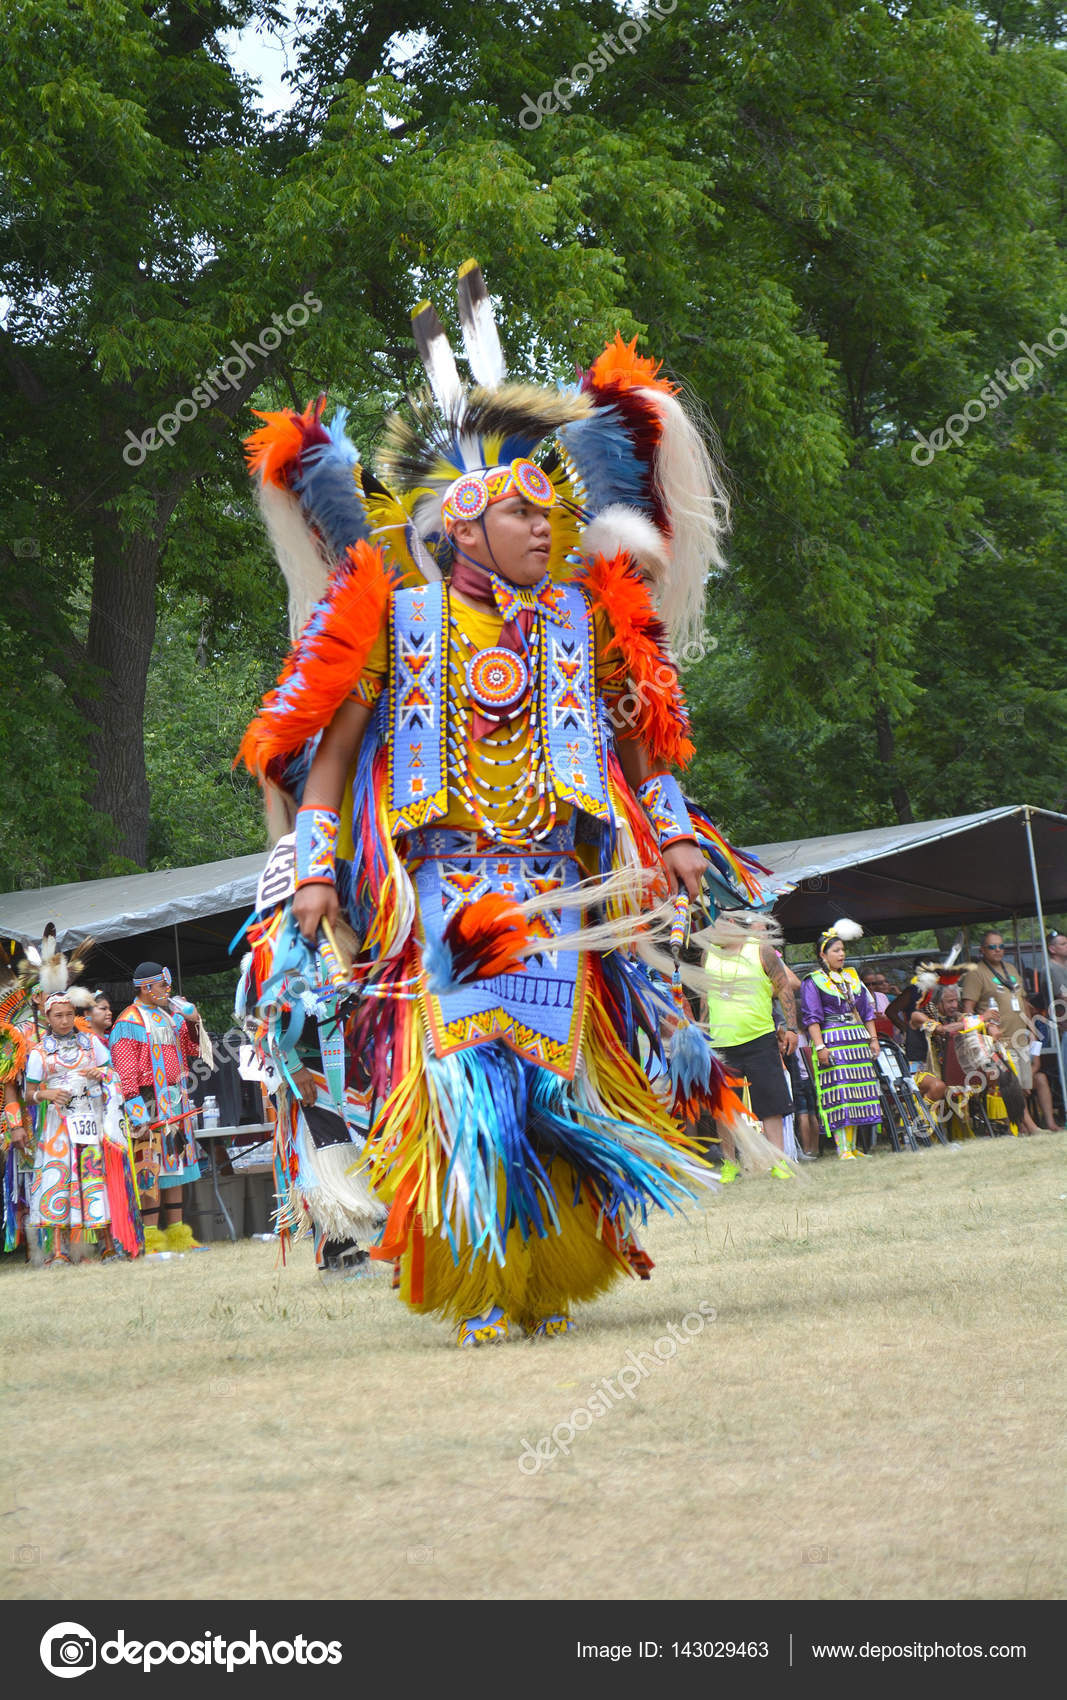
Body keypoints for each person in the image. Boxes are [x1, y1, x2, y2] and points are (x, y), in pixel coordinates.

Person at [237, 265, 767, 1345]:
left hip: (557, 895)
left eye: (554, 514)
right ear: (464, 525)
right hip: (437, 897)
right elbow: (329, 758)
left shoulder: (582, 620)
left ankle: (544, 1275)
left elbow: (640, 736)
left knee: (550, 1086)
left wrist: (667, 835)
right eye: (527, 513)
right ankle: (480, 1283)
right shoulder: (393, 620)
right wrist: (313, 871)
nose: (549, 531)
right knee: (460, 1089)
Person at [110, 962, 206, 1251]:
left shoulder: (170, 1017)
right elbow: (125, 1074)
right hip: (148, 1103)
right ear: (146, 988)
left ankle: (179, 1236)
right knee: (150, 1170)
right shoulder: (128, 1022)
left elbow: (193, 1049)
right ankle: (150, 1238)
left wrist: (192, 1020)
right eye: (163, 986)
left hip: (175, 1103)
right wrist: (138, 1115)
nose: (168, 990)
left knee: (175, 1166)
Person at [24, 993, 126, 1264]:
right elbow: (28, 1093)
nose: (66, 1020)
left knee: (94, 1178)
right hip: (57, 1127)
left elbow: (113, 1074)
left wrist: (100, 1074)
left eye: (69, 1014)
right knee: (58, 1179)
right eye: (58, 1016)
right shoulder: (39, 1051)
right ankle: (59, 1252)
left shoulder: (91, 1042)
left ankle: (107, 1246)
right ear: (47, 1017)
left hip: (90, 1120)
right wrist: (45, 1095)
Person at [702, 915, 800, 1180]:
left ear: (732, 925)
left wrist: (791, 1028)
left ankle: (778, 1161)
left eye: (716, 924)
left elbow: (784, 988)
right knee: (724, 1107)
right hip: (721, 1044)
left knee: (771, 1103)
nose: (711, 930)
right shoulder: (707, 956)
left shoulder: (760, 950)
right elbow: (705, 998)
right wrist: (701, 1033)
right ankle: (730, 1163)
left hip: (760, 1038)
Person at [800, 921, 882, 1160]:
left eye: (843, 949)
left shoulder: (852, 977)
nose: (841, 954)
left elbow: (867, 1011)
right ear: (822, 955)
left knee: (858, 1092)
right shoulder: (813, 980)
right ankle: (843, 1148)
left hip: (856, 1039)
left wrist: (873, 1039)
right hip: (833, 1039)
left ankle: (854, 1147)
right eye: (836, 950)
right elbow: (812, 1018)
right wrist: (820, 1046)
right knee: (841, 1092)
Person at [960, 931, 1043, 1136]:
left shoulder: (1011, 968)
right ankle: (1028, 1128)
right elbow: (967, 1011)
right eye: (992, 947)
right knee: (1010, 1086)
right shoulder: (976, 973)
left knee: (1023, 1087)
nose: (998, 950)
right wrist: (985, 1027)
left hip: (1020, 1036)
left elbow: (1022, 1001)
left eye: (1001, 946)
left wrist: (1031, 1028)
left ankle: (1021, 1127)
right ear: (982, 950)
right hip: (999, 1040)